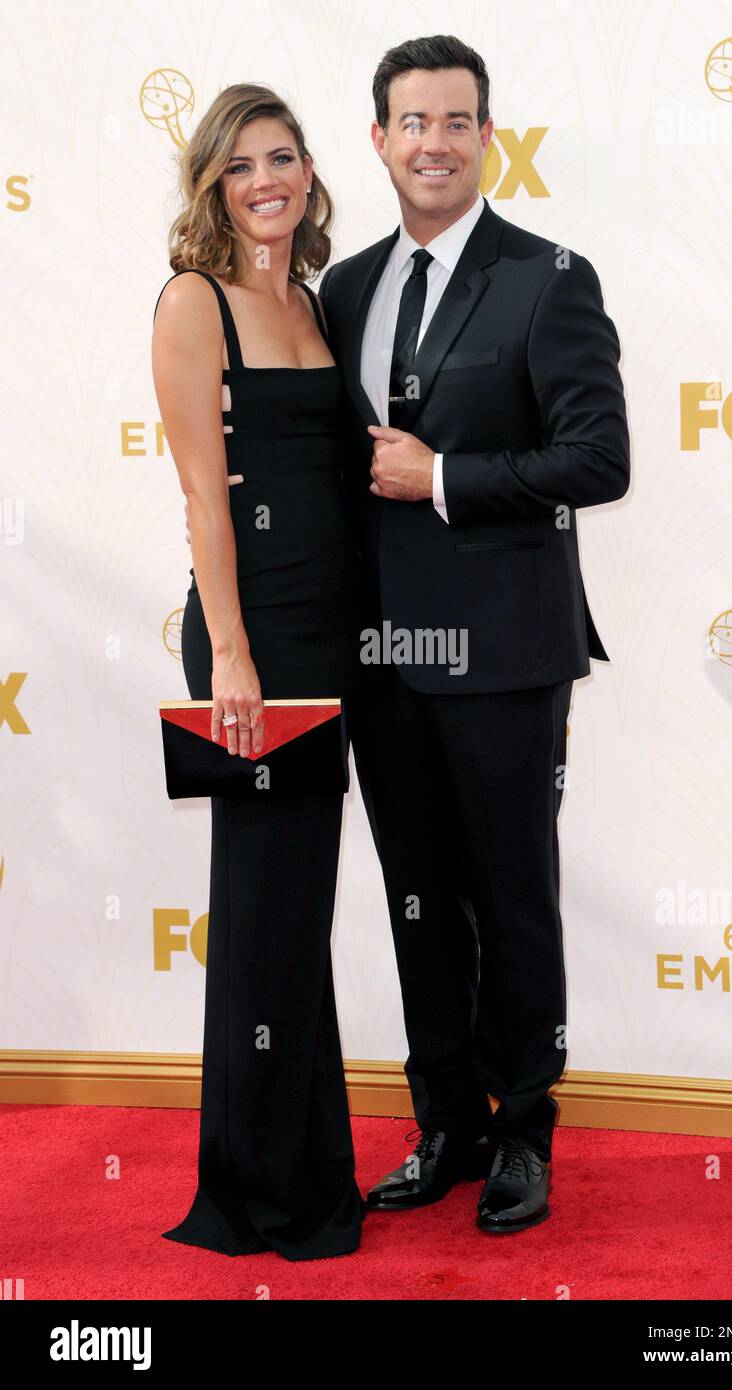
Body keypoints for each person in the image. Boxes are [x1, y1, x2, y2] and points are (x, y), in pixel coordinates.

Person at [318, 35, 630, 1233]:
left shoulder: (551, 277)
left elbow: (598, 460)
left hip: (503, 650)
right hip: (384, 658)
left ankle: (523, 1131)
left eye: (457, 121)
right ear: (381, 139)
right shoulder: (344, 288)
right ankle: (444, 1120)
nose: (435, 142)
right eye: (413, 121)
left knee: (513, 896)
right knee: (415, 894)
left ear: (488, 136)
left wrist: (446, 474)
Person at [151, 82, 362, 1259]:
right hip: (253, 640)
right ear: (213, 185)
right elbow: (202, 496)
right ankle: (254, 1192)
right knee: (264, 912)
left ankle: (302, 1176)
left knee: (297, 912)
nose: (267, 180)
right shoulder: (195, 301)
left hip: (329, 636)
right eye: (242, 165)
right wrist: (231, 652)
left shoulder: (317, 302)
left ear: (308, 170)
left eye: (282, 157)